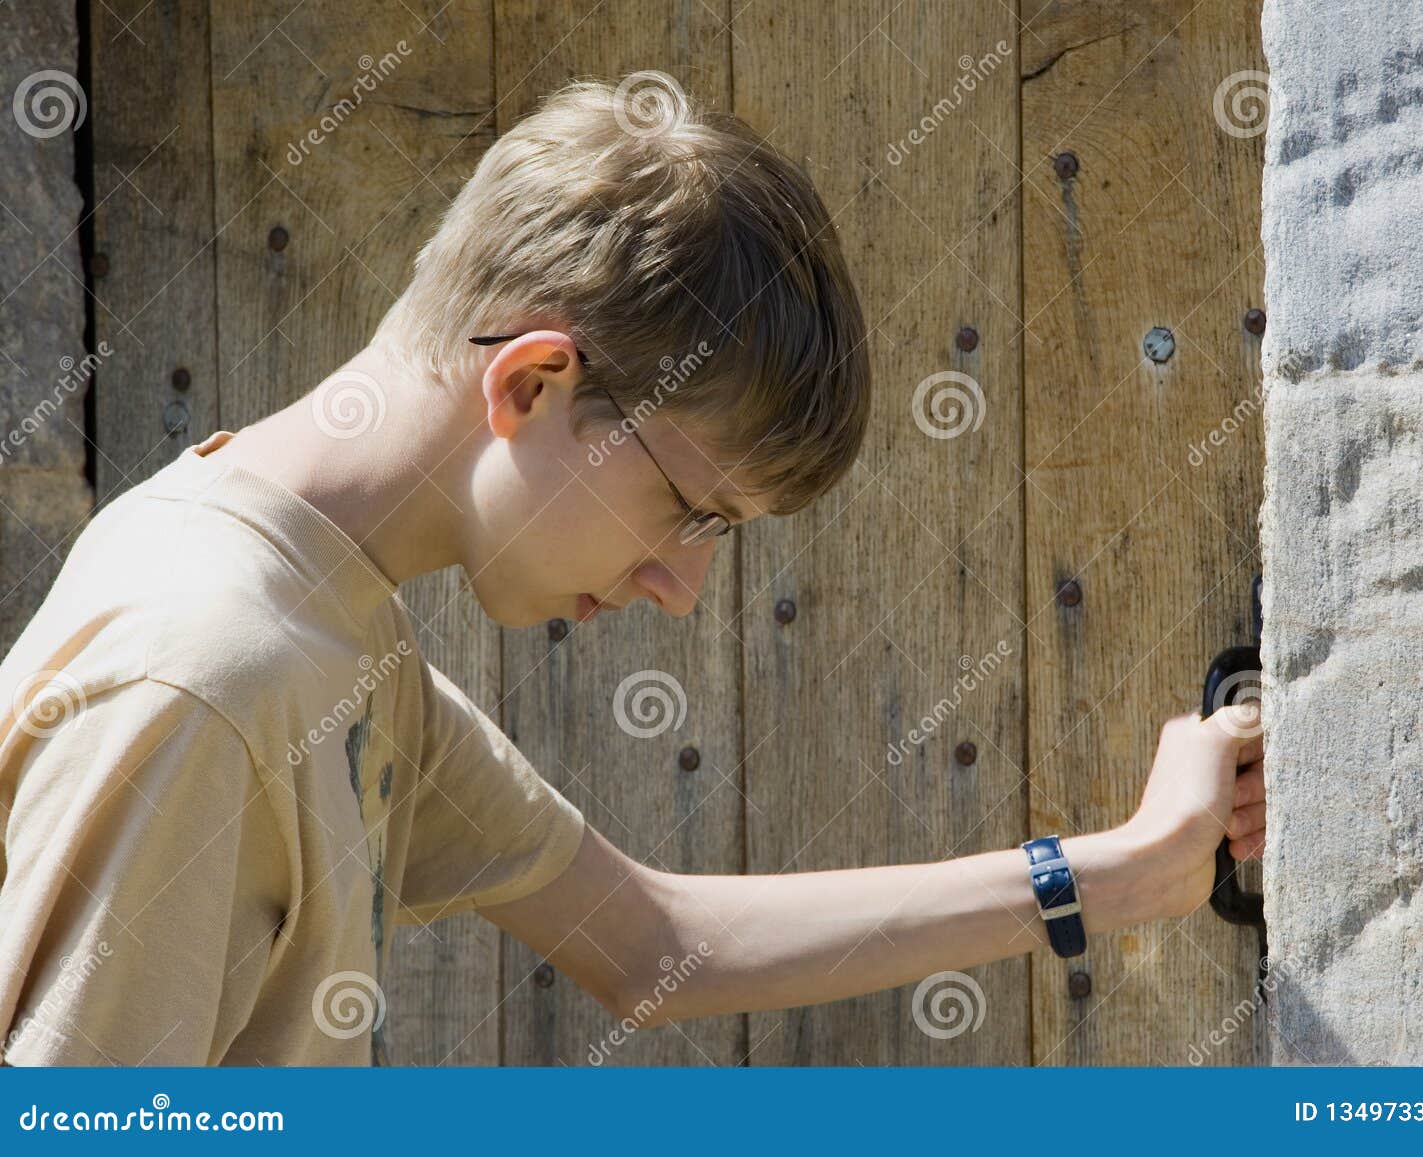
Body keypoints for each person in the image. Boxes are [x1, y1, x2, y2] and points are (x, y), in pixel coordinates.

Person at [0, 79, 1265, 1066]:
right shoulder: (212, 676)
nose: (680, 588)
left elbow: (653, 945)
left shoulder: (325, 627)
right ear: (533, 383)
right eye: (686, 510)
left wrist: (1124, 870)